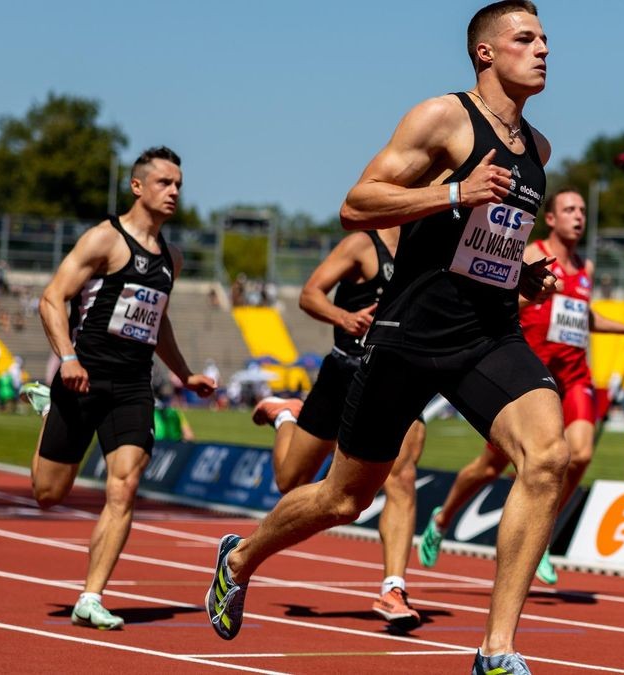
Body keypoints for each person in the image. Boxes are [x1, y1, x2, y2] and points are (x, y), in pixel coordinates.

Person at [205, 4, 560, 673]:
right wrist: (455, 189)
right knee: (346, 497)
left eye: (545, 39)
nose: (543, 49)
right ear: (485, 53)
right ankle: (242, 555)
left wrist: (522, 278)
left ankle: (497, 650)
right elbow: (356, 203)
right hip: (409, 334)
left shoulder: (537, 151)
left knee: (548, 456)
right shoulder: (443, 118)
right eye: (525, 38)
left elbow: (487, 250)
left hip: (488, 334)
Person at [418, 187, 624, 585]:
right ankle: (442, 517)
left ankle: (542, 537)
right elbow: (501, 304)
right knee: (490, 466)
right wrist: (534, 298)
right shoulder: (531, 254)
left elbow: (583, 316)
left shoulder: (586, 267)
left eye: (582, 210)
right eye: (569, 210)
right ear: (551, 219)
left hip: (574, 373)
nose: (578, 216)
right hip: (530, 375)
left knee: (580, 455)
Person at [25, 146, 216, 630]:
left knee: (125, 483)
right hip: (83, 376)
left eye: (178, 185)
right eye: (164, 183)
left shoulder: (171, 256)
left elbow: (159, 323)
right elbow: (52, 298)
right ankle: (51, 412)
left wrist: (184, 373)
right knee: (49, 493)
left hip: (133, 384)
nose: (173, 191)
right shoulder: (104, 241)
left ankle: (90, 596)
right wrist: (67, 359)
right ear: (137, 186)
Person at [250, 224, 428, 631]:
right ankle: (285, 417)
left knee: (401, 476)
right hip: (345, 370)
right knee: (289, 481)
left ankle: (394, 587)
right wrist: (343, 317)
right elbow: (309, 294)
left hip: (397, 376)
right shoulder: (363, 245)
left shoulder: (430, 243)